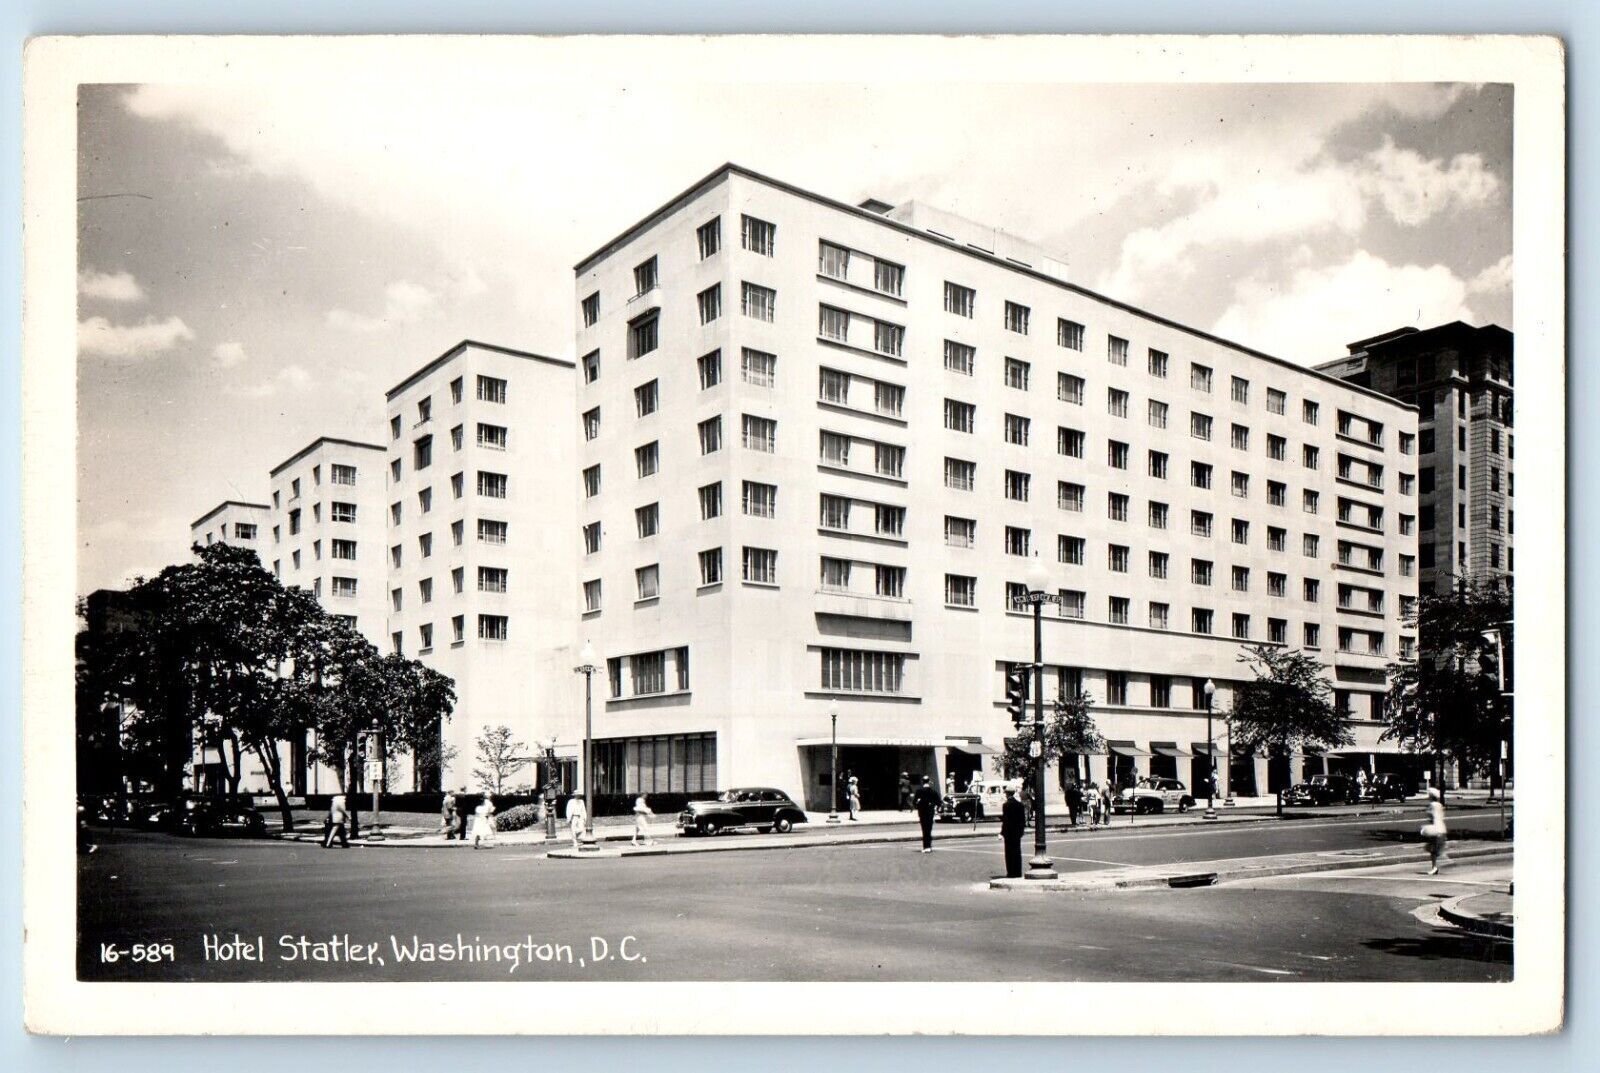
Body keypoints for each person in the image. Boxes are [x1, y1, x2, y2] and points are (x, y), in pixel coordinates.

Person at [1000, 787, 1026, 878]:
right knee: (1017, 852)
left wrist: (1002, 832)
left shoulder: (1006, 805)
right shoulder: (1020, 805)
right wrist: (1021, 831)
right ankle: (1017, 871)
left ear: (1007, 794)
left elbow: (1005, 821)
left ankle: (1011, 872)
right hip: (1017, 832)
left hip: (1009, 832)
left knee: (1009, 853)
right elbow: (1023, 820)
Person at [1422, 787, 1449, 874]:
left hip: (1436, 830)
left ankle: (1437, 866)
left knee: (1432, 850)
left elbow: (1431, 816)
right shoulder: (1439, 805)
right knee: (1433, 849)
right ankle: (1438, 864)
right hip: (1442, 829)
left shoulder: (1432, 805)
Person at [914, 775, 941, 853]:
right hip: (930, 812)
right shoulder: (933, 791)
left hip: (922, 812)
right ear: (928, 781)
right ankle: (929, 846)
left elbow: (914, 802)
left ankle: (925, 846)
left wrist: (918, 805)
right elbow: (939, 802)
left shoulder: (919, 791)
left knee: (924, 829)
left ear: (922, 781)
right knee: (929, 829)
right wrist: (935, 807)